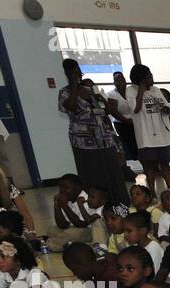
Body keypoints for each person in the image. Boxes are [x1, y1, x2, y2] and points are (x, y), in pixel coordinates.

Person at [58, 60, 128, 207]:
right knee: (93, 175)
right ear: (67, 74)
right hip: (85, 144)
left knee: (113, 174)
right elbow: (71, 106)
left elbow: (108, 111)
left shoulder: (90, 90)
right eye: (72, 72)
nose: (76, 74)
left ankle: (119, 207)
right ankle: (96, 208)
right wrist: (73, 85)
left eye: (77, 71)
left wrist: (100, 97)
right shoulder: (65, 93)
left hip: (105, 140)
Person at [125, 64, 170, 195]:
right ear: (142, 79)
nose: (152, 78)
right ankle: (152, 194)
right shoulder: (131, 90)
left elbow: (166, 108)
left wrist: (164, 109)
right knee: (150, 166)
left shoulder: (156, 90)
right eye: (149, 76)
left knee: (165, 164)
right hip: (146, 137)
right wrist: (141, 90)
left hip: (162, 135)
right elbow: (136, 109)